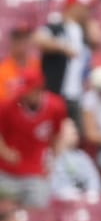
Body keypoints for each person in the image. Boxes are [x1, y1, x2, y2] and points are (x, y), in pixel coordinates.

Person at [0, 71, 68, 208]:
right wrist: (4, 151)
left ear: (39, 90)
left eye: (28, 91)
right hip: (7, 170)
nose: (23, 95)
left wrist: (53, 159)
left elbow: (57, 134)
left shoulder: (56, 107)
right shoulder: (7, 105)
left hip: (36, 170)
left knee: (36, 210)